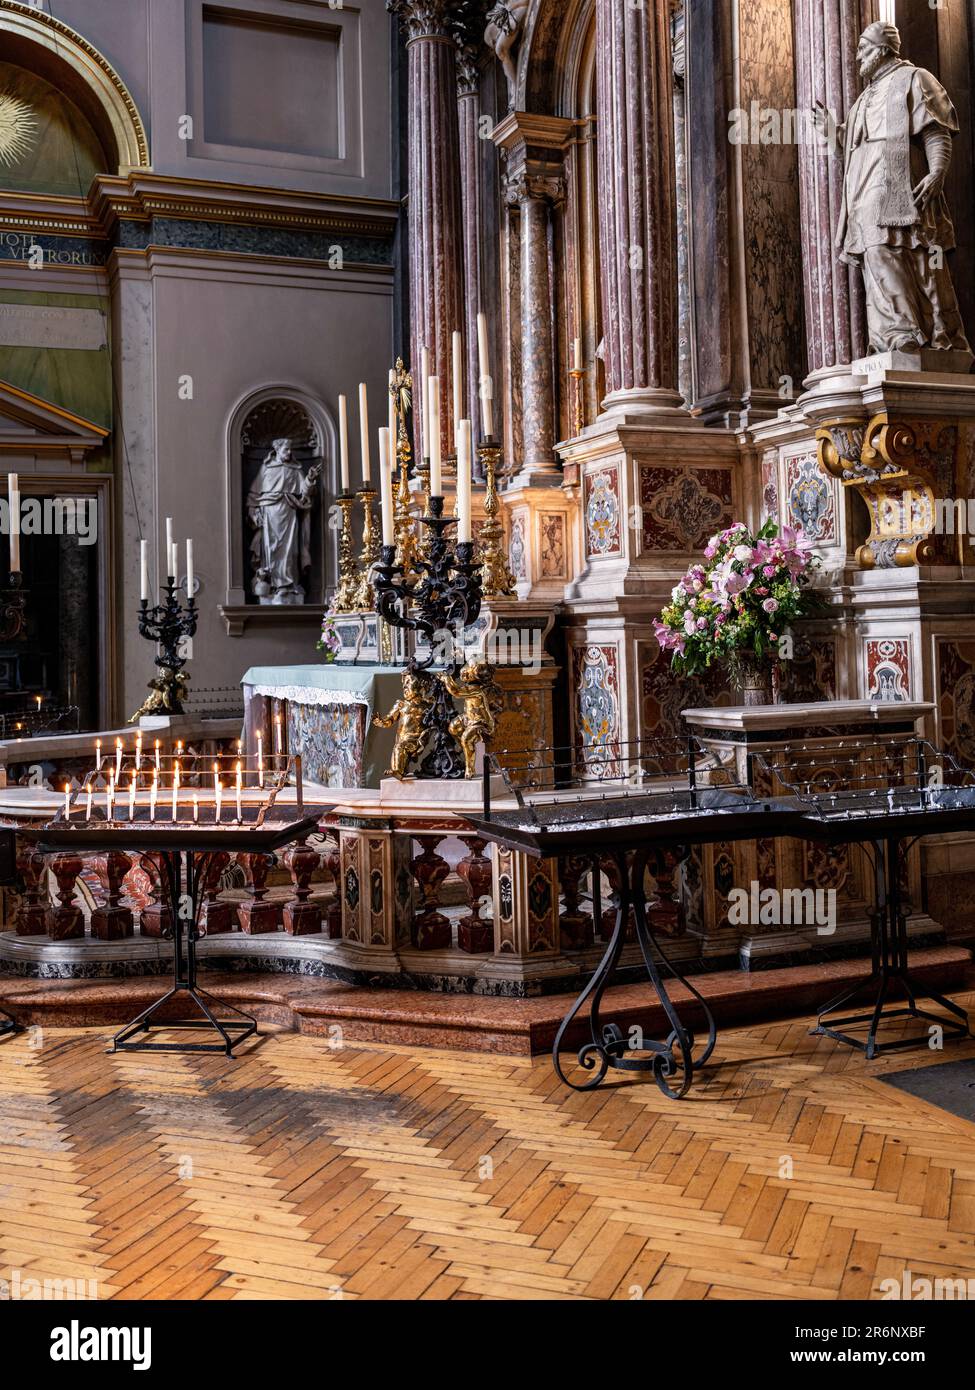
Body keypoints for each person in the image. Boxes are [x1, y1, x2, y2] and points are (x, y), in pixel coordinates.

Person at [813, 20, 971, 357]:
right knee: (877, 252)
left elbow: (935, 128)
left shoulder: (914, 78)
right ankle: (897, 335)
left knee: (905, 254)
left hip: (898, 182)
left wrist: (938, 172)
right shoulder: (864, 98)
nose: (857, 57)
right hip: (864, 186)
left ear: (883, 48)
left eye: (862, 48)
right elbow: (852, 145)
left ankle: (911, 335)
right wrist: (831, 132)